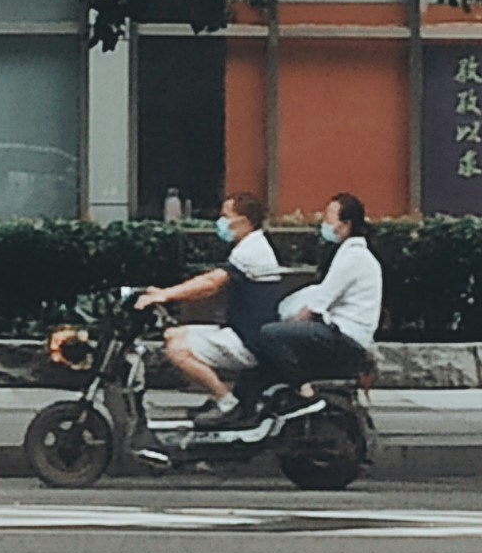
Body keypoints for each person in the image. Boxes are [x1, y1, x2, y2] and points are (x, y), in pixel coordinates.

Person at [132, 181, 285, 422]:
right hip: (244, 332)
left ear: (243, 221)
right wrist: (166, 293)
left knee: (177, 350)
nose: (220, 222)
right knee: (173, 335)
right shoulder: (251, 245)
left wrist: (165, 294)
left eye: (226, 216)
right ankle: (220, 397)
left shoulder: (250, 251)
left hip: (248, 341)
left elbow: (210, 284)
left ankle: (226, 401)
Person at [249, 193, 385, 390]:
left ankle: (302, 387)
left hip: (344, 337)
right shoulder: (351, 253)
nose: (325, 222)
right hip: (340, 332)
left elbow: (320, 302)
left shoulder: (353, 257)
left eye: (329, 217)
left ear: (346, 224)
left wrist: (292, 322)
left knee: (270, 334)